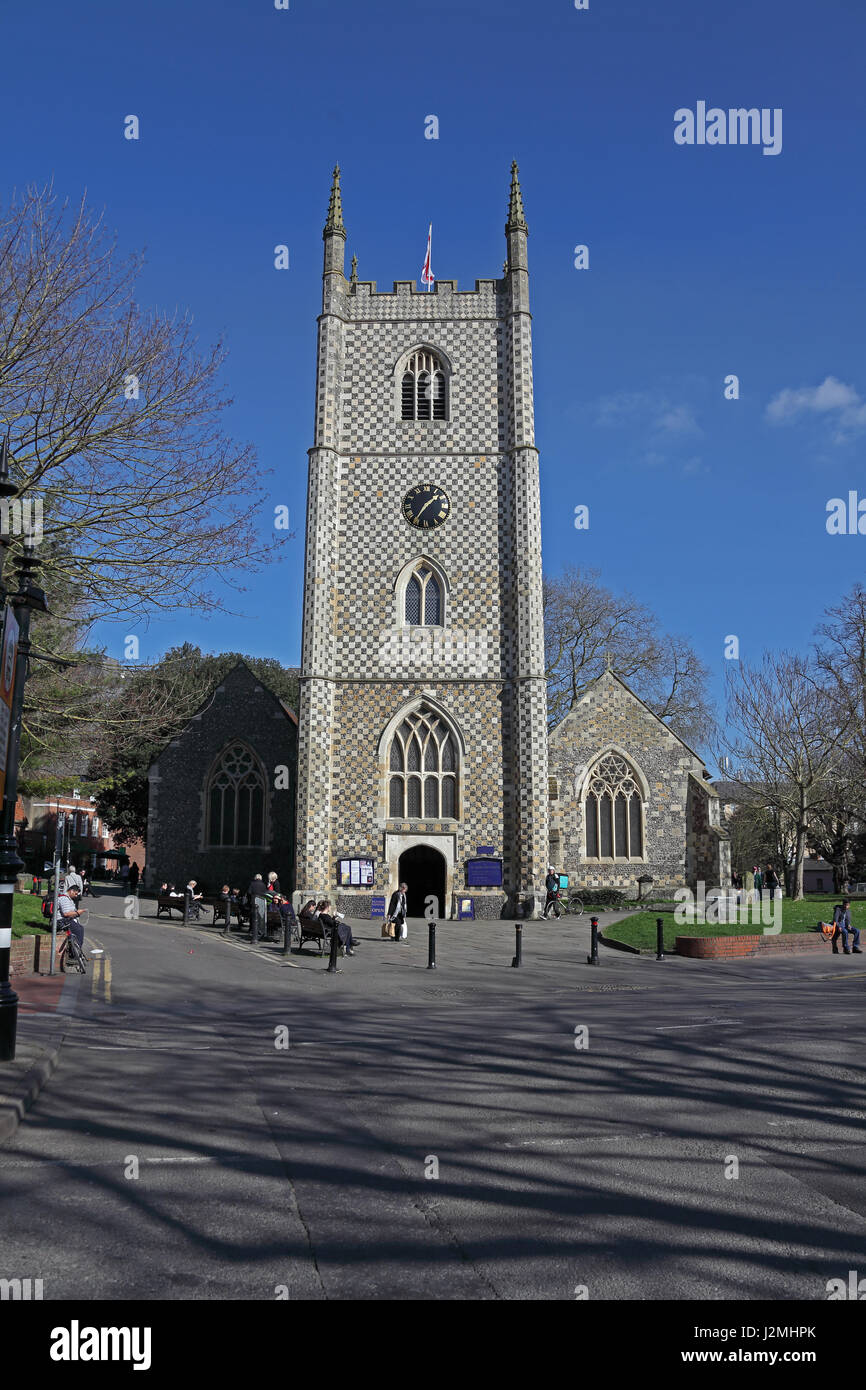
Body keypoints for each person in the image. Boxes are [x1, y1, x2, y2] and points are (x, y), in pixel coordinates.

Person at [57, 885, 85, 953]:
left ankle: (75, 950)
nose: (76, 896)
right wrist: (77, 913)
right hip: (61, 921)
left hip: (65, 920)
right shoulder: (64, 899)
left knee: (78, 928)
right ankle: (75, 954)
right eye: (75, 893)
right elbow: (66, 913)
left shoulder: (68, 898)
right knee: (79, 930)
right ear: (71, 891)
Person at [247, 872, 268, 939]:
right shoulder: (263, 885)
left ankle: (252, 929)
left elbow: (249, 892)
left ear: (255, 878)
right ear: (260, 878)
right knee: (259, 916)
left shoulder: (252, 884)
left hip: (253, 901)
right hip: (260, 902)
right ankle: (259, 930)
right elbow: (265, 894)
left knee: (252, 916)